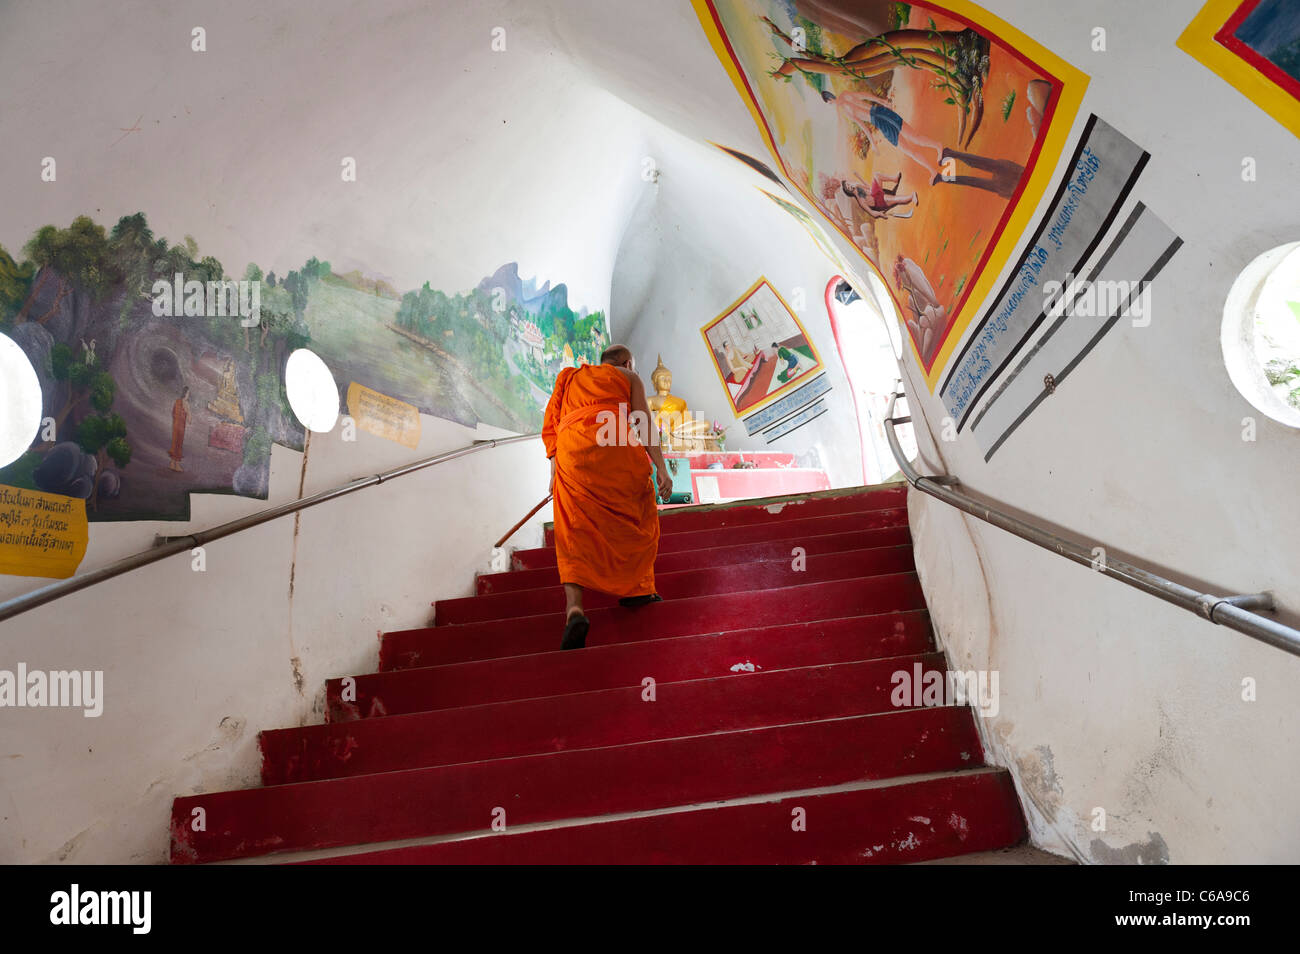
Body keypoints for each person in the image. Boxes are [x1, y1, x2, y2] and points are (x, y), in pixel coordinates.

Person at [542, 344, 674, 650]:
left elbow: (554, 425)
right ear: (627, 362)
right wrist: (662, 469)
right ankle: (638, 589)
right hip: (613, 446)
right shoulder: (628, 376)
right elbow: (643, 424)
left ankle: (574, 608)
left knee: (572, 529)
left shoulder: (570, 377)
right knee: (636, 512)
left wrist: (554, 472)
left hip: (572, 452)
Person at [169, 386, 190, 472]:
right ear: (185, 393)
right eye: (188, 393)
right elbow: (189, 419)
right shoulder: (186, 403)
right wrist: (188, 414)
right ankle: (176, 464)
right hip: (181, 427)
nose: (189, 395)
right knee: (178, 444)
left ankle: (172, 463)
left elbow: (173, 413)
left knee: (174, 443)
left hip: (175, 425)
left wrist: (176, 420)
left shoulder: (177, 401)